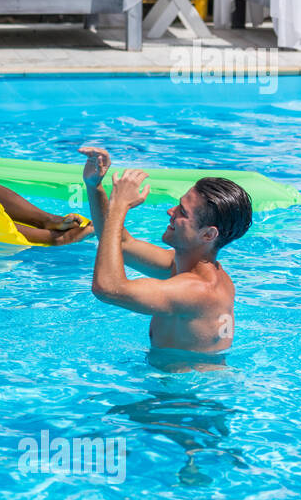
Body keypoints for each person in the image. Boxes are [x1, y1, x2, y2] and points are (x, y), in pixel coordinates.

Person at [80, 145, 252, 354]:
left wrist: (119, 206)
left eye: (183, 212)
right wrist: (94, 186)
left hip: (183, 384)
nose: (170, 211)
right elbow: (121, 244)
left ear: (208, 234)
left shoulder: (194, 291)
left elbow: (107, 289)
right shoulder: (188, 268)